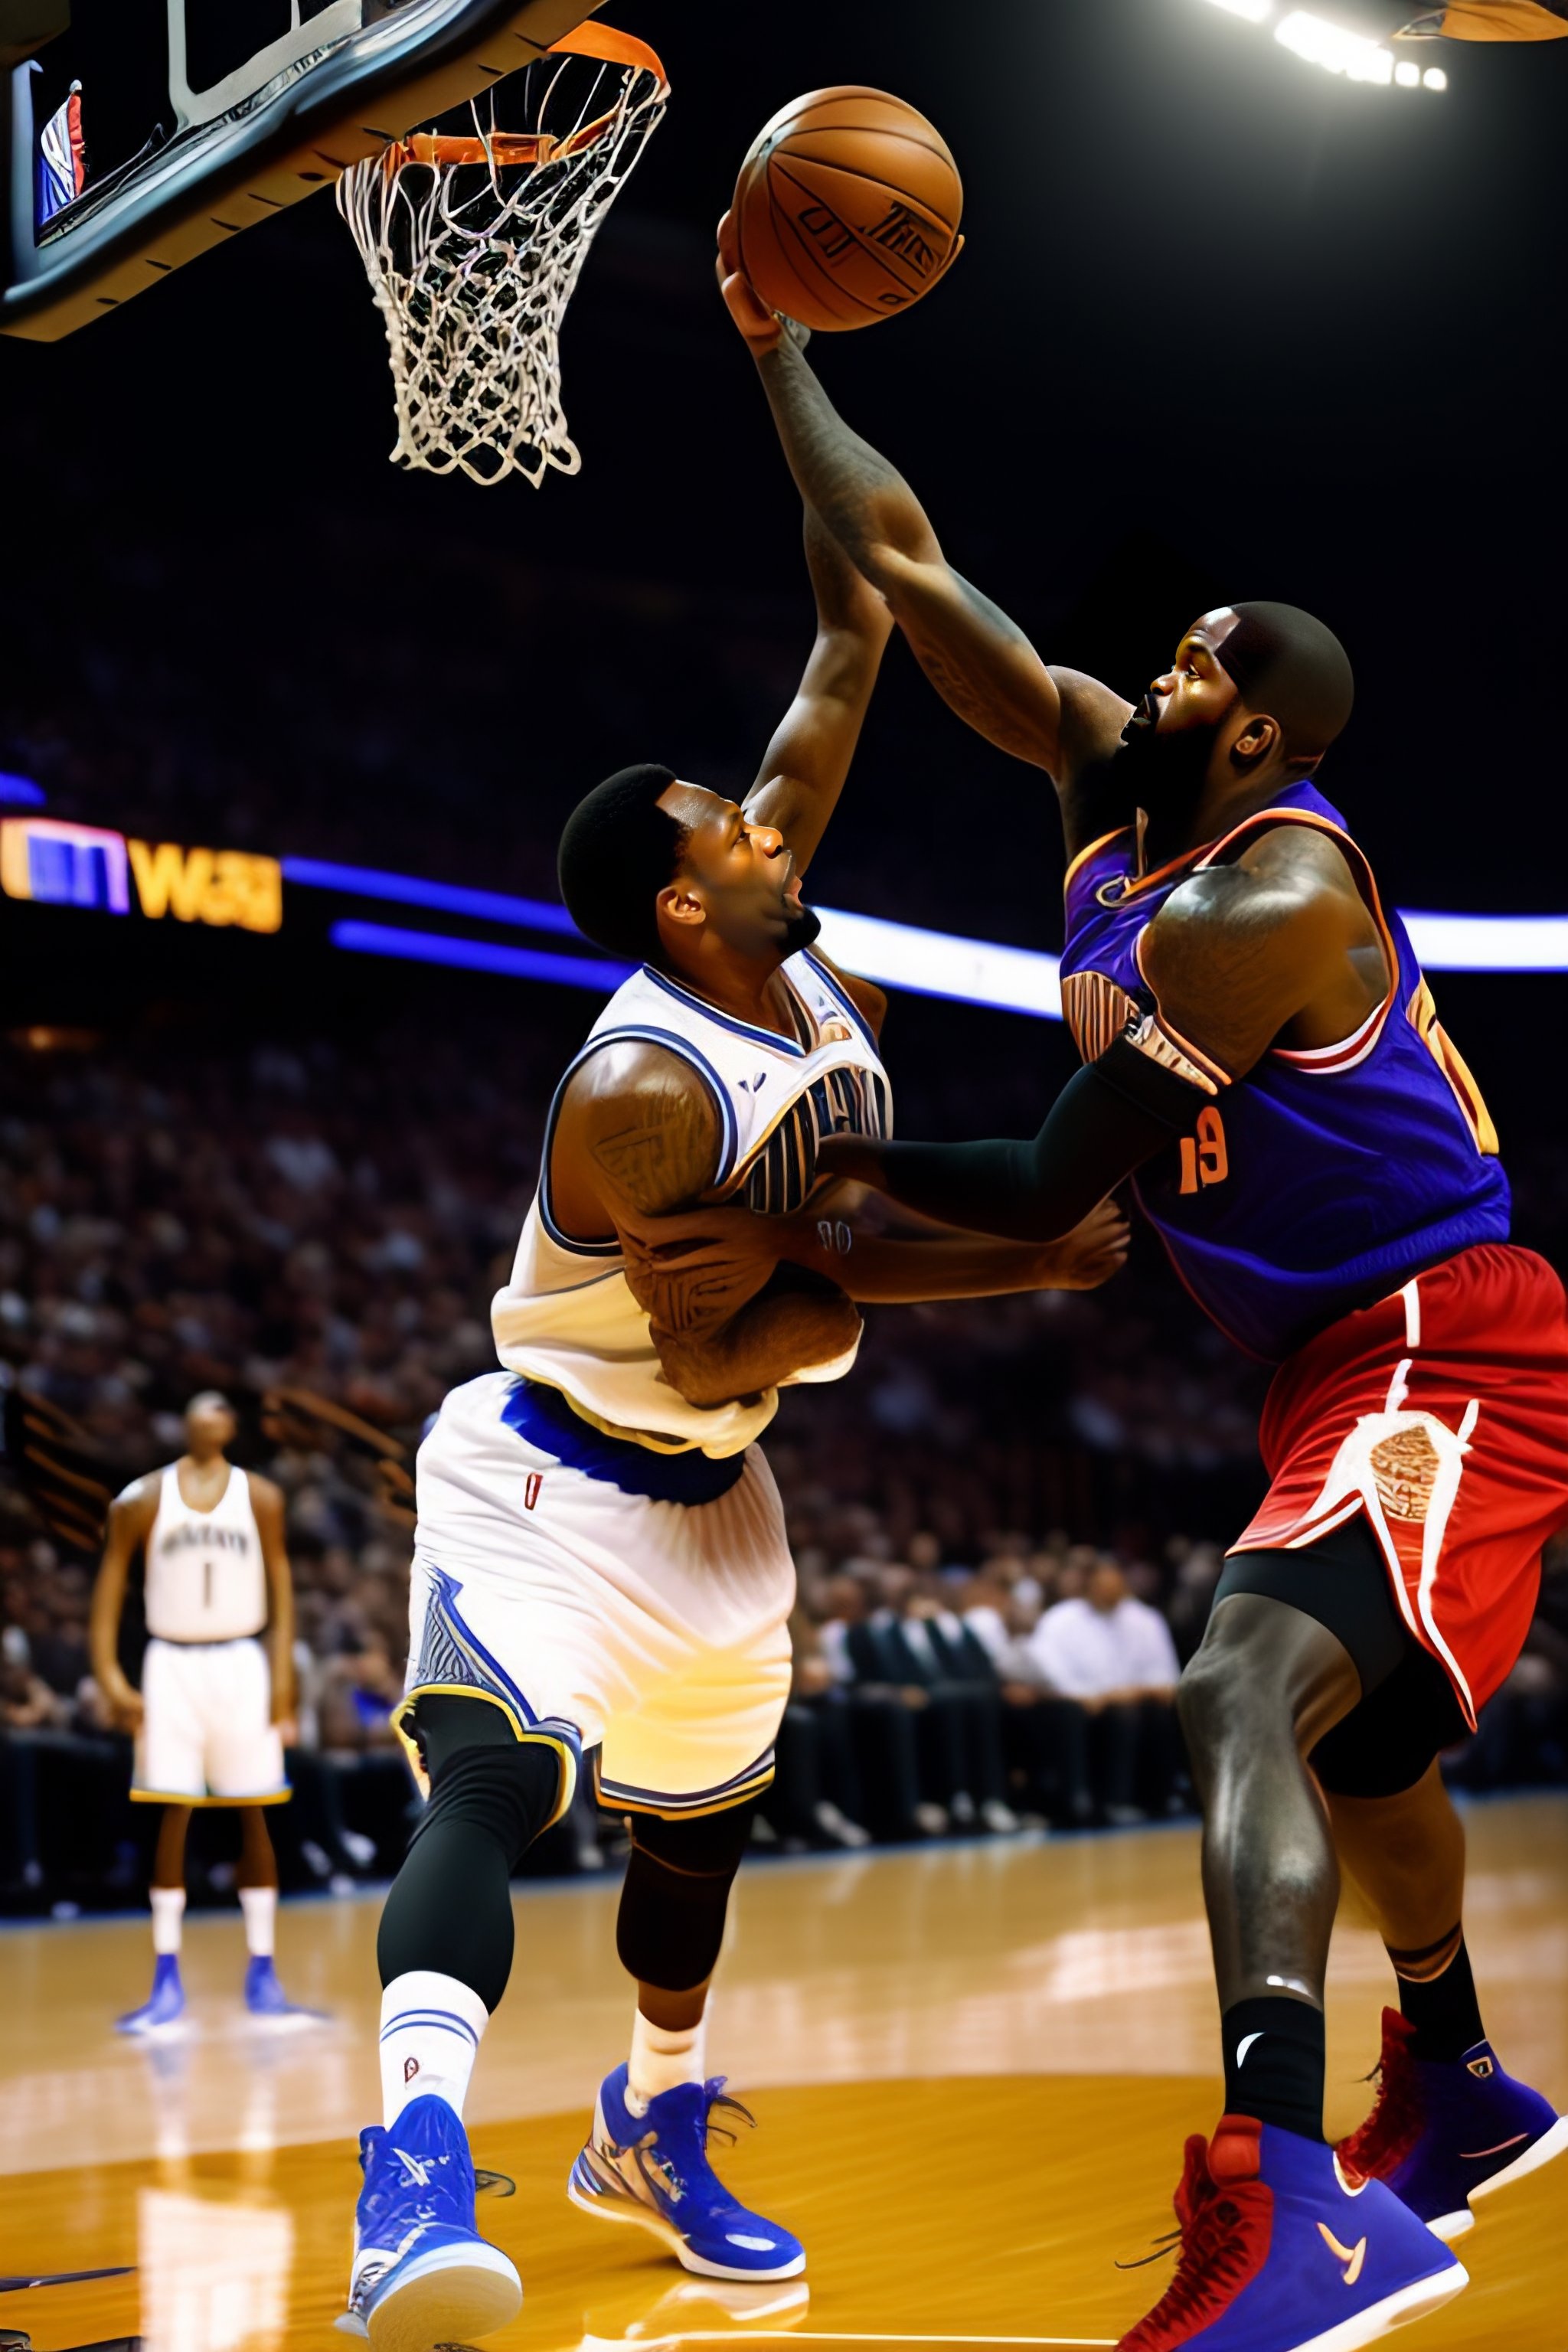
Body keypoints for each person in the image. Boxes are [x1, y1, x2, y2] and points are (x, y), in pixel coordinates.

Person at [713, 220, 1568, 2352]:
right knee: (1359, 1758)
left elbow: (1031, 1188)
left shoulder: (1264, 899)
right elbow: (906, 568)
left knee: (1233, 1688)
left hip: (1440, 1337)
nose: (1152, 669)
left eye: (1197, 663)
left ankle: (1301, 2207)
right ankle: (1453, 2084)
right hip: (1316, 1364)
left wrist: (816, 1156)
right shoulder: (1119, 806)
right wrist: (775, 346)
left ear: (1265, 737)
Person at [342, 494, 1129, 2351]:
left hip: (720, 1495)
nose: (775, 825)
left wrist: (789, 363)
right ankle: (414, 2160)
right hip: (548, 1475)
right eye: (735, 825)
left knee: (692, 1838)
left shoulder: (799, 961)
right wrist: (1005, 1267)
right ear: (682, 897)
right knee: (493, 1784)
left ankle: (648, 2117)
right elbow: (715, 1346)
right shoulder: (637, 1086)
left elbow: (845, 646)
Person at [89, 1390, 300, 2027]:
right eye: (200, 1408)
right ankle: (165, 1976)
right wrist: (108, 1674)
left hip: (241, 1661)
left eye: (221, 1410)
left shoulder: (260, 1497)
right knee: (169, 1812)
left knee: (254, 1811)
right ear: (185, 1422)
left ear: (232, 1427)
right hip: (170, 1663)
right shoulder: (141, 1499)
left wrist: (283, 1671)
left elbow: (282, 1585)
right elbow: (109, 1585)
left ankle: (263, 1970)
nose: (211, 1419)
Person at [1029, 1559, 1183, 1824]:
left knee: (1156, 1713)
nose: (1109, 1592)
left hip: (1135, 1699)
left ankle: (1163, 1795)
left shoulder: (1145, 1619)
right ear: (1088, 1587)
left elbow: (1167, 1676)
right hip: (1078, 1703)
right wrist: (1094, 1696)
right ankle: (1105, 1800)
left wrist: (1127, 1693)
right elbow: (1049, 1671)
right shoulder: (1060, 1619)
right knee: (1116, 1715)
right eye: (1101, 1585)